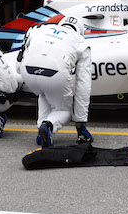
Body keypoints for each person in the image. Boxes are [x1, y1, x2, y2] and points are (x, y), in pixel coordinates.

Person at [16, 16, 93, 147]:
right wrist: (81, 123)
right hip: (55, 72)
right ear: (79, 31)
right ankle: (48, 126)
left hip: (27, 71)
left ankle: (42, 130)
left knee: (44, 93)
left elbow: (18, 64)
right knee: (64, 111)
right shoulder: (81, 42)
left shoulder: (38, 29)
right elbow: (83, 86)